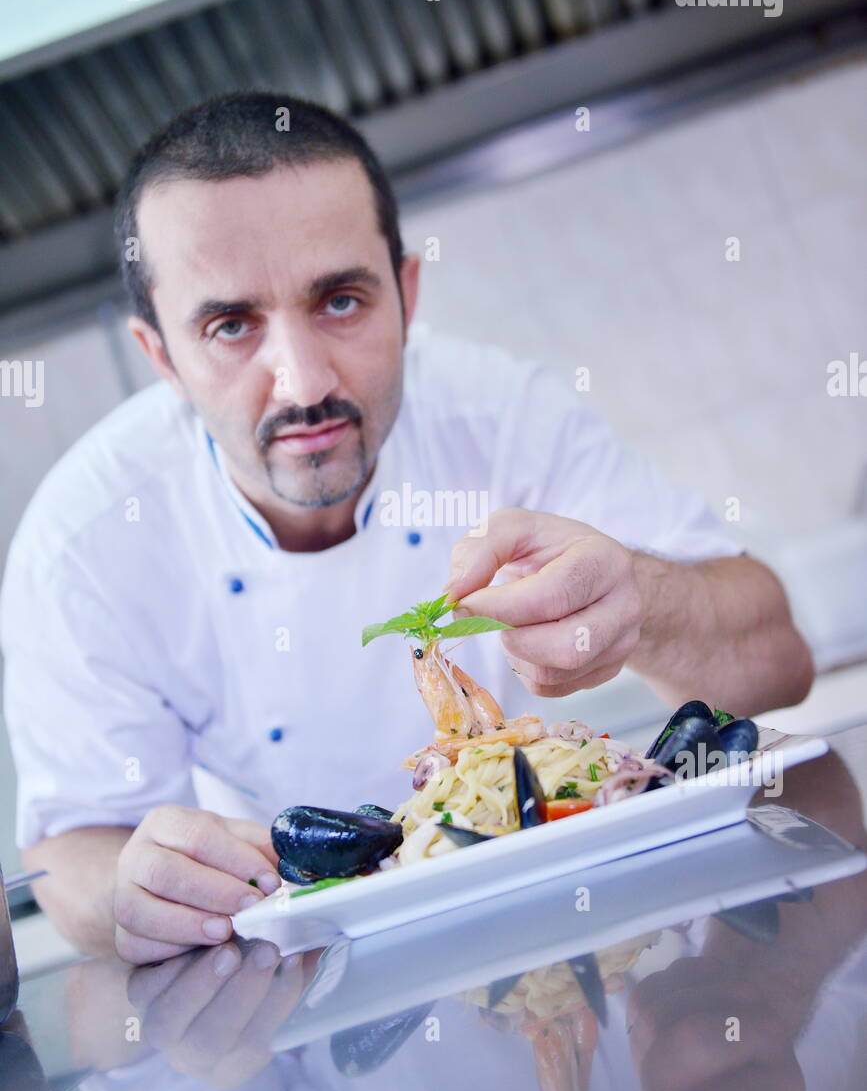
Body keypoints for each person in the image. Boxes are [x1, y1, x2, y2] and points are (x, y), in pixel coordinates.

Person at [0, 92, 813, 965]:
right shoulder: (84, 542)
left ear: (406, 294)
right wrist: (129, 892)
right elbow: (71, 849)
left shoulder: (505, 415)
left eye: (340, 301)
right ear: (161, 355)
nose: (303, 382)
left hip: (552, 915)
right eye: (230, 326)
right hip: (300, 966)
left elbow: (777, 667)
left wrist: (641, 600)